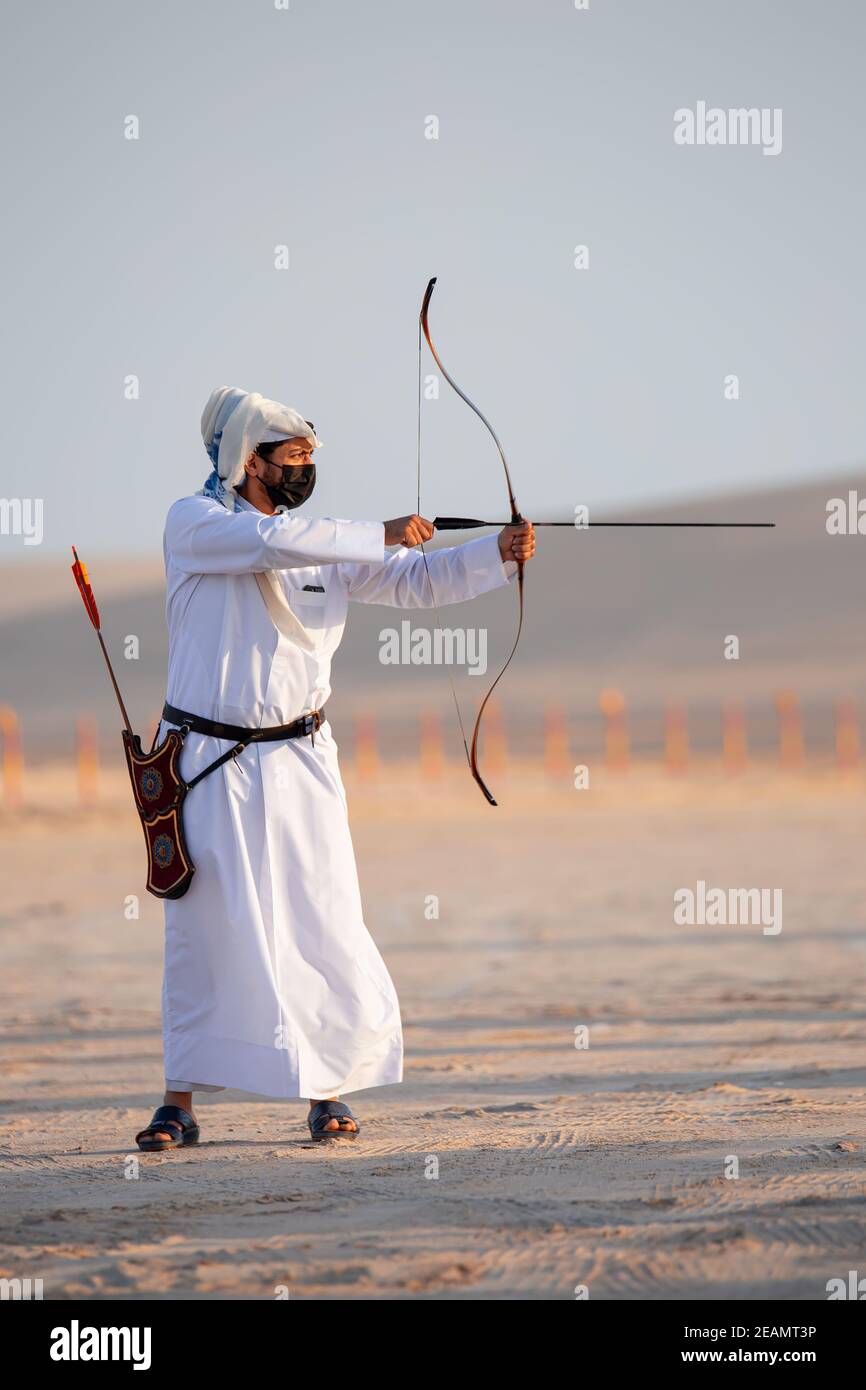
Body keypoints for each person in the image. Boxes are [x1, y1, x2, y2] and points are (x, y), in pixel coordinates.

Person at [134, 386, 536, 1150]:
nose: (304, 470)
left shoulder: (326, 545)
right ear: (247, 461)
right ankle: (179, 1103)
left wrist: (496, 555)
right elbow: (270, 546)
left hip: (300, 761)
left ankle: (327, 1093)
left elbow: (418, 582)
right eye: (292, 459)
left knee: (321, 918)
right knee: (203, 930)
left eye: (312, 458)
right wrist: (376, 533)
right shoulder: (195, 524)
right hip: (208, 765)